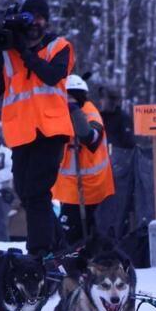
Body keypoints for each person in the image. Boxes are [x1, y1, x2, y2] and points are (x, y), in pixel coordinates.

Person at [0, 0, 74, 258]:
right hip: (20, 133)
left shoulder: (59, 46)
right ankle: (60, 247)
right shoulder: (9, 51)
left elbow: (51, 75)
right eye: (29, 18)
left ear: (47, 21)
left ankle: (39, 252)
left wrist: (24, 51)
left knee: (37, 191)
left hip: (51, 130)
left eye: (39, 19)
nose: (34, 24)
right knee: (26, 192)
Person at [53, 74, 114, 247]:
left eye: (69, 98)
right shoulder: (65, 114)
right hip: (72, 187)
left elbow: (90, 137)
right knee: (70, 233)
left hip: (89, 187)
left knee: (75, 233)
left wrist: (73, 110)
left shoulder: (89, 113)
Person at [94, 84, 137, 239]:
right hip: (99, 169)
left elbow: (129, 143)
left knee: (115, 208)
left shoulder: (123, 118)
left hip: (119, 170)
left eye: (103, 98)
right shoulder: (97, 116)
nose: (101, 102)